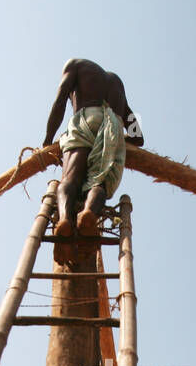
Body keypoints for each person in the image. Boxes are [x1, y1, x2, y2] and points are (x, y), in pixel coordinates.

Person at [43, 58, 144, 237]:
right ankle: (89, 211)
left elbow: (59, 102)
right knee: (99, 184)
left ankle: (65, 219)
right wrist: (117, 139)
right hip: (114, 127)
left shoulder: (74, 65)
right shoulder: (116, 81)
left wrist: (48, 141)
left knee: (69, 180)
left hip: (86, 119)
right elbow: (138, 136)